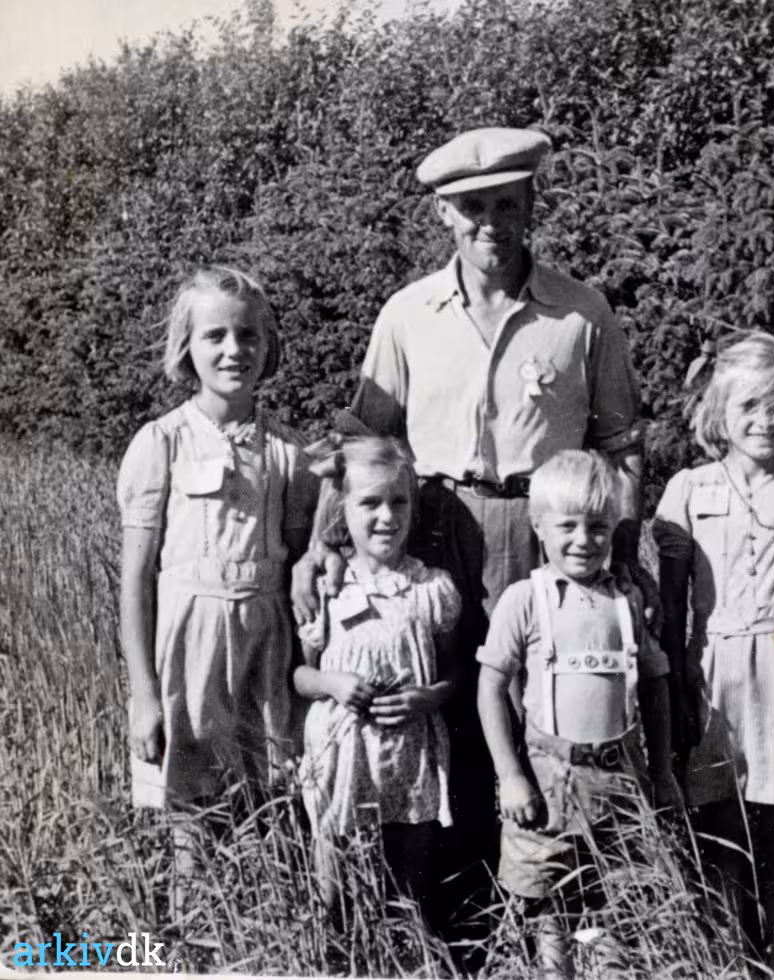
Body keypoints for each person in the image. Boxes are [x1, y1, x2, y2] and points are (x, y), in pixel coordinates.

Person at [294, 126, 646, 924]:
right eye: (473, 208)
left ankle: (546, 900)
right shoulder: (408, 314)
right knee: (440, 697)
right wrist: (324, 544)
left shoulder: (581, 313)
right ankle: (443, 905)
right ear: (445, 215)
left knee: (534, 698)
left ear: (531, 206)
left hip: (544, 531)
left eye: (507, 205)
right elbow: (361, 443)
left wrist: (621, 553)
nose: (491, 224)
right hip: (434, 525)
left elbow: (622, 444)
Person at [653, 332, 774, 972]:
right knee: (723, 830)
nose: (766, 420)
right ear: (720, 414)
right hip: (717, 673)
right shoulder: (689, 491)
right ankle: (733, 959)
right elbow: (673, 609)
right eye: (749, 406)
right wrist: (680, 686)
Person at [117, 267, 314, 843]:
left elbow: (299, 566)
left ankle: (262, 899)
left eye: (248, 334)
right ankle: (192, 900)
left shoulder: (288, 452)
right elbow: (136, 581)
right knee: (193, 816)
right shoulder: (162, 442)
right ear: (187, 347)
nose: (234, 350)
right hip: (188, 650)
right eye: (215, 336)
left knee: (267, 805)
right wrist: (144, 695)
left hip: (266, 646)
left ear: (267, 344)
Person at [476, 450, 679, 980]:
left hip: (620, 780)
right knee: (551, 905)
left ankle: (608, 970)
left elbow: (654, 686)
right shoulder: (525, 599)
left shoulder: (626, 602)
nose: (583, 540)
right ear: (538, 526)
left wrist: (661, 772)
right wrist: (511, 775)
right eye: (567, 526)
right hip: (549, 784)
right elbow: (490, 688)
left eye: (598, 527)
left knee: (615, 901)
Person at [294, 436, 460, 926]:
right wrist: (333, 683)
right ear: (342, 509)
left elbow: (455, 673)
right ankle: (336, 948)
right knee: (334, 877)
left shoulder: (431, 588)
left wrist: (428, 697)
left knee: (412, 883)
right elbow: (300, 676)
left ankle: (411, 950)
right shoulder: (327, 588)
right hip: (342, 757)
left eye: (398, 502)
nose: (387, 517)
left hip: (409, 758)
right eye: (370, 503)